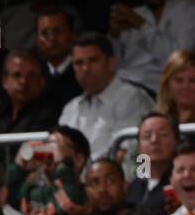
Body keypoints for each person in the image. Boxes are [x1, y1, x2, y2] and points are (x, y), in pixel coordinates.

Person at [58, 32, 155, 161]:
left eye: (93, 60)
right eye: (79, 63)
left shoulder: (132, 98)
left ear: (111, 63)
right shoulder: (71, 108)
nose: (85, 68)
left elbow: (129, 155)